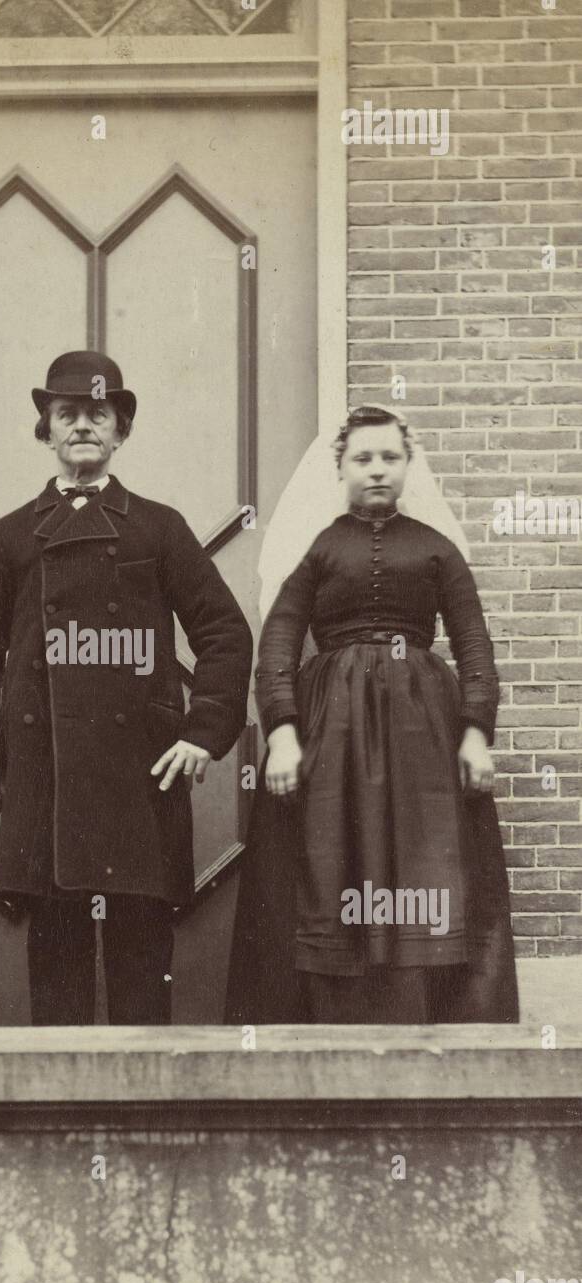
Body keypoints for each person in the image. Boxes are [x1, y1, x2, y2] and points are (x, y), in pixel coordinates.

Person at [0, 351, 253, 1025]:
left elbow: (226, 636)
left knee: (144, 963)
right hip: (44, 779)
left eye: (97, 413)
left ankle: (148, 1123)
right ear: (47, 432)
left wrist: (203, 735)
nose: (82, 426)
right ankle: (58, 1124)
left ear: (120, 432)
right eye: (67, 414)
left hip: (140, 781)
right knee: (56, 970)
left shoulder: (158, 527)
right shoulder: (9, 536)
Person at [225, 404, 519, 1025]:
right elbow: (278, 641)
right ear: (341, 467)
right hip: (329, 727)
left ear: (408, 464)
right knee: (330, 857)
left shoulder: (437, 550)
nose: (377, 470)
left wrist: (474, 735)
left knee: (423, 859)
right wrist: (281, 733)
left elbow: (473, 645)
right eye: (363, 458)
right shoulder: (320, 549)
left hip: (424, 732)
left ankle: (424, 1017)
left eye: (390, 457)